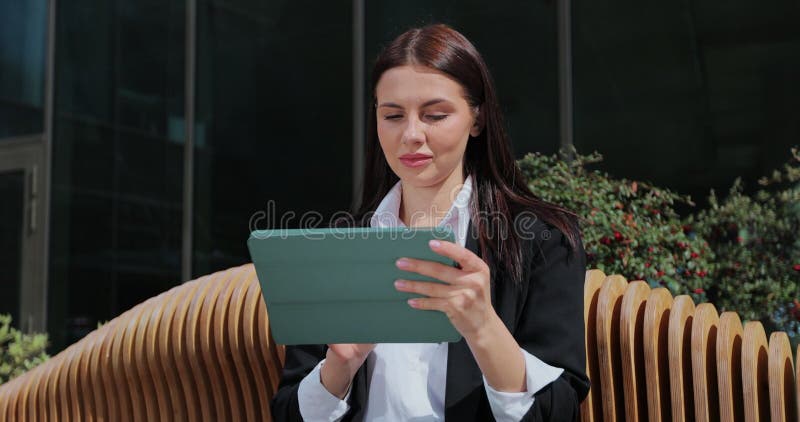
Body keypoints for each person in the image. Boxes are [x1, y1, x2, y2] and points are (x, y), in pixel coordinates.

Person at [271, 23, 588, 421]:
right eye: (392, 115)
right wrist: (341, 367)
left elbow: (559, 412)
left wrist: (483, 327)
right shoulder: (342, 244)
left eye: (435, 115)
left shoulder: (541, 240)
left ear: (477, 119)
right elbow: (288, 413)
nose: (412, 135)